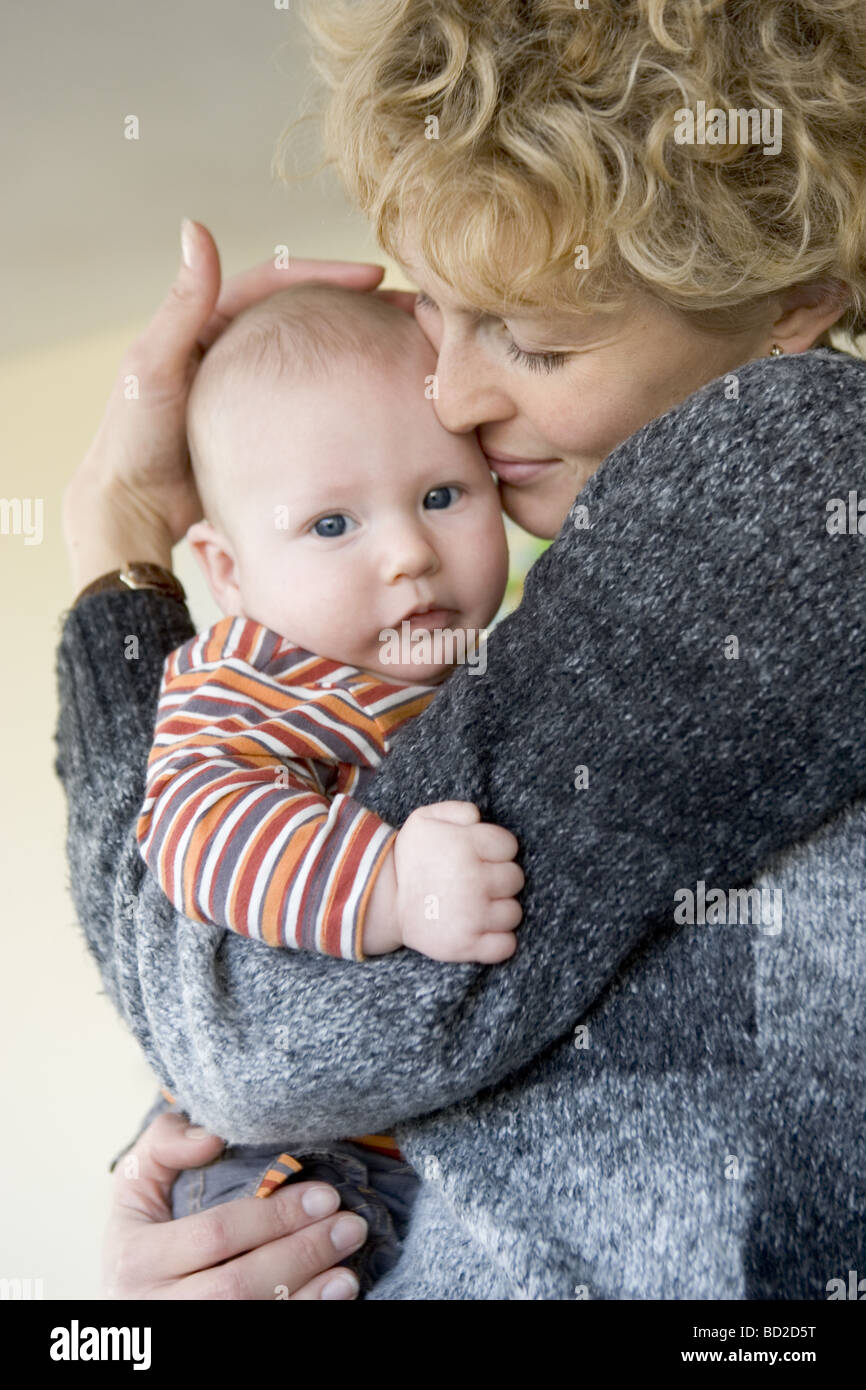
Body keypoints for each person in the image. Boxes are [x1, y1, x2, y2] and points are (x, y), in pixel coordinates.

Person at [57, 0, 866, 1299]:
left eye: (535, 339)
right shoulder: (559, 596)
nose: (452, 394)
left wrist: (116, 559)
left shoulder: (805, 467)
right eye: (436, 305)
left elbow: (259, 1036)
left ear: (793, 304)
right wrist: (223, 1204)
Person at [134, 281, 522, 1293]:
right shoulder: (254, 679)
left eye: (442, 496)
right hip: (281, 1168)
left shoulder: (495, 662)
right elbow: (199, 830)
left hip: (429, 1154)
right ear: (228, 570)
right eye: (332, 523)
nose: (409, 554)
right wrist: (391, 886)